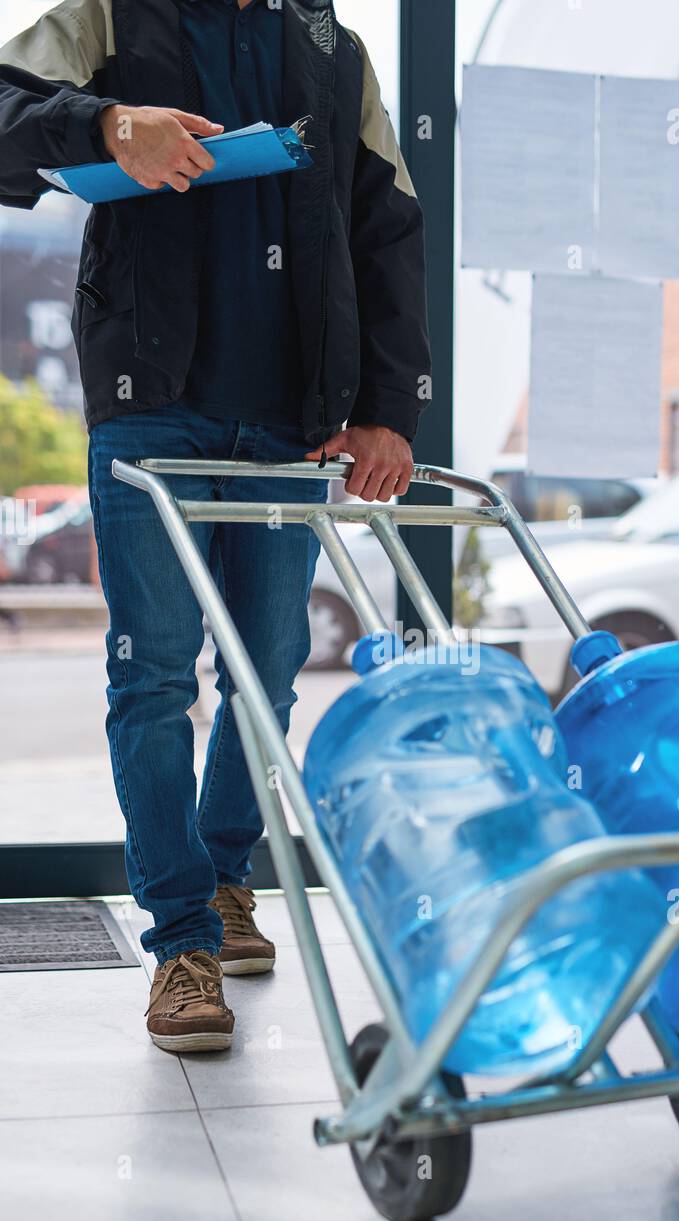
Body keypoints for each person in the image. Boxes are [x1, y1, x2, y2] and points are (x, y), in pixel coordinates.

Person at [0, 0, 430, 1052]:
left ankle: (226, 875)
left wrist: (387, 407)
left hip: (292, 417)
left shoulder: (335, 50)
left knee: (269, 665)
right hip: (154, 399)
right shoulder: (105, 15)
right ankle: (182, 940)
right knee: (152, 675)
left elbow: (388, 227)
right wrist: (108, 128)